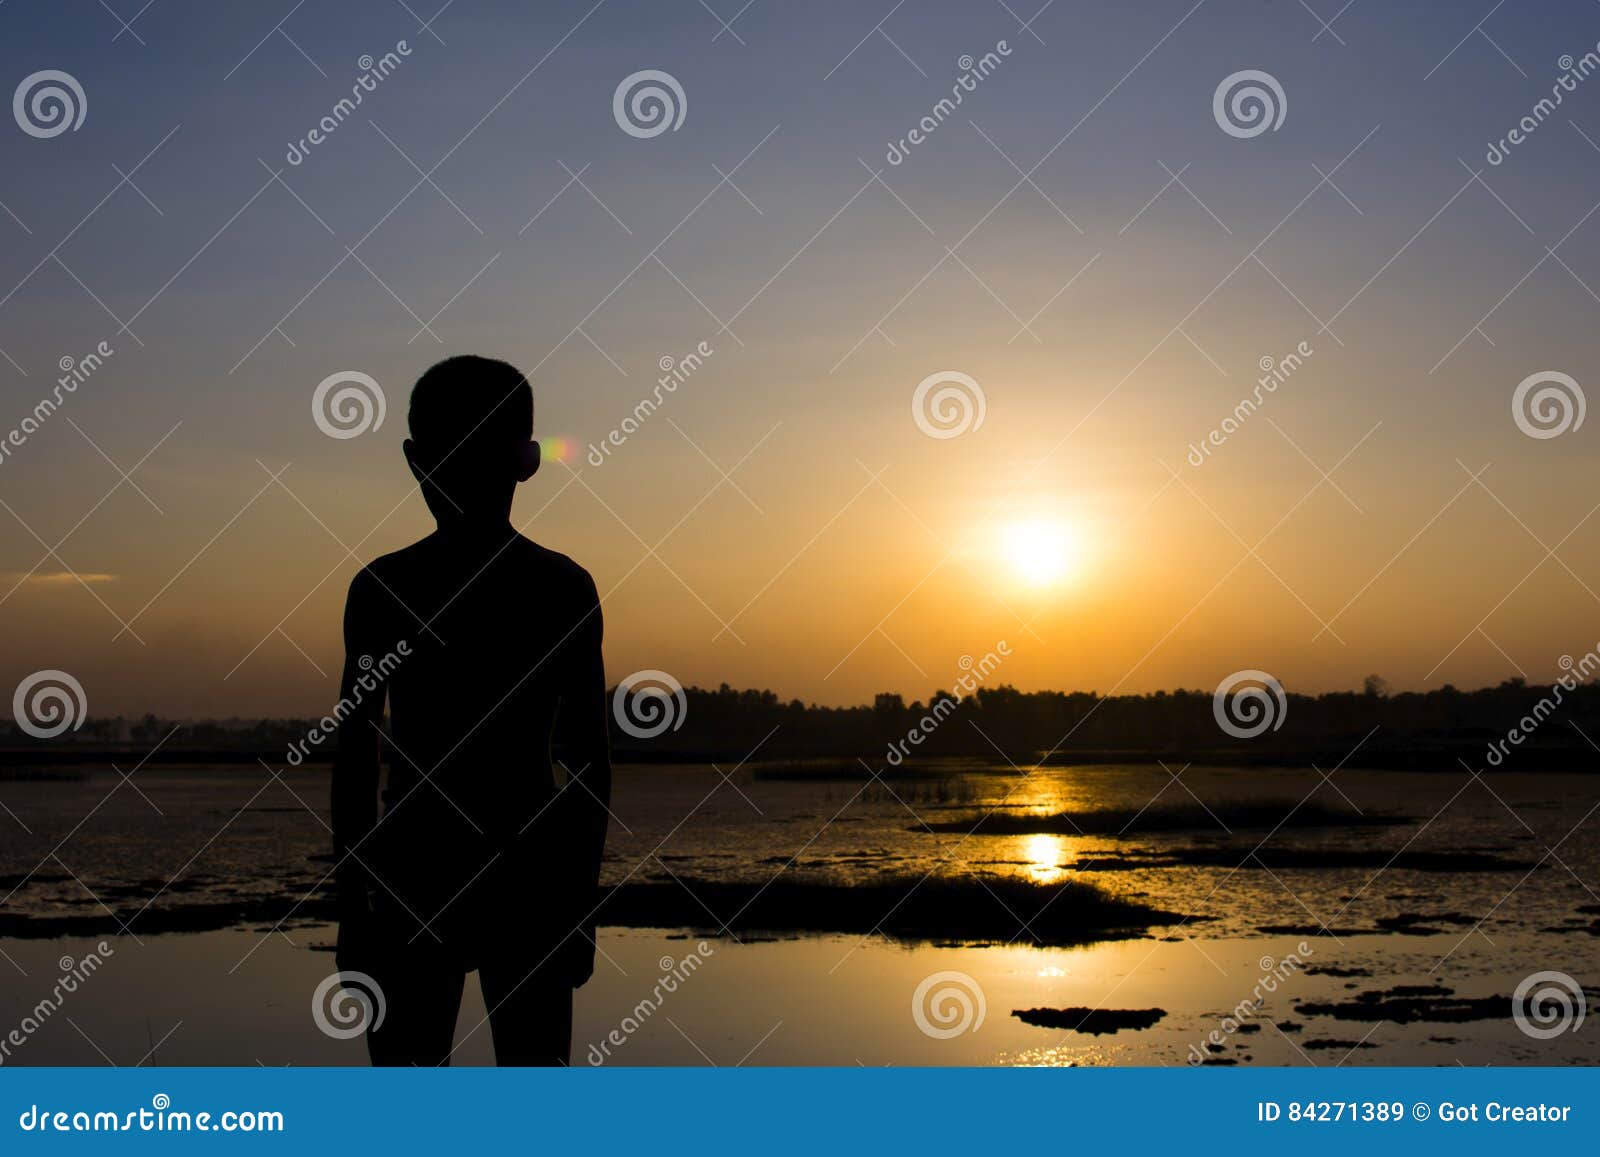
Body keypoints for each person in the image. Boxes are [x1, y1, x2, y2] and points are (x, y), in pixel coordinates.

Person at [329, 355, 611, 1066]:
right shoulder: (558, 587)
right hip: (518, 878)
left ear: (413, 459)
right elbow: (587, 762)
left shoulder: (386, 587)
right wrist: (577, 903)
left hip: (431, 872)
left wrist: (351, 902)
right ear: (527, 460)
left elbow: (356, 751)